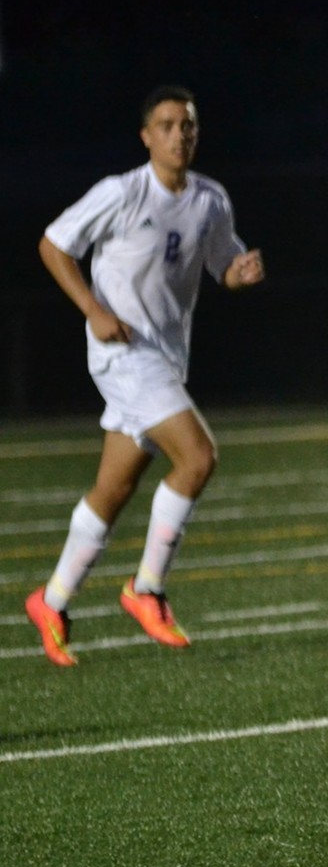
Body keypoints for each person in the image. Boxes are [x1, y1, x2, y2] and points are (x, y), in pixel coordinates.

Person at [23, 86, 266, 667]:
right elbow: (53, 246)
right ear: (146, 136)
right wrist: (93, 310)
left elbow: (220, 268)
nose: (179, 134)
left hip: (163, 356)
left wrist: (240, 273)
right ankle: (147, 589)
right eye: (167, 124)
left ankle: (51, 600)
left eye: (188, 125)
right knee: (199, 457)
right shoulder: (123, 192)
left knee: (115, 487)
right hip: (122, 354)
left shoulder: (210, 199)